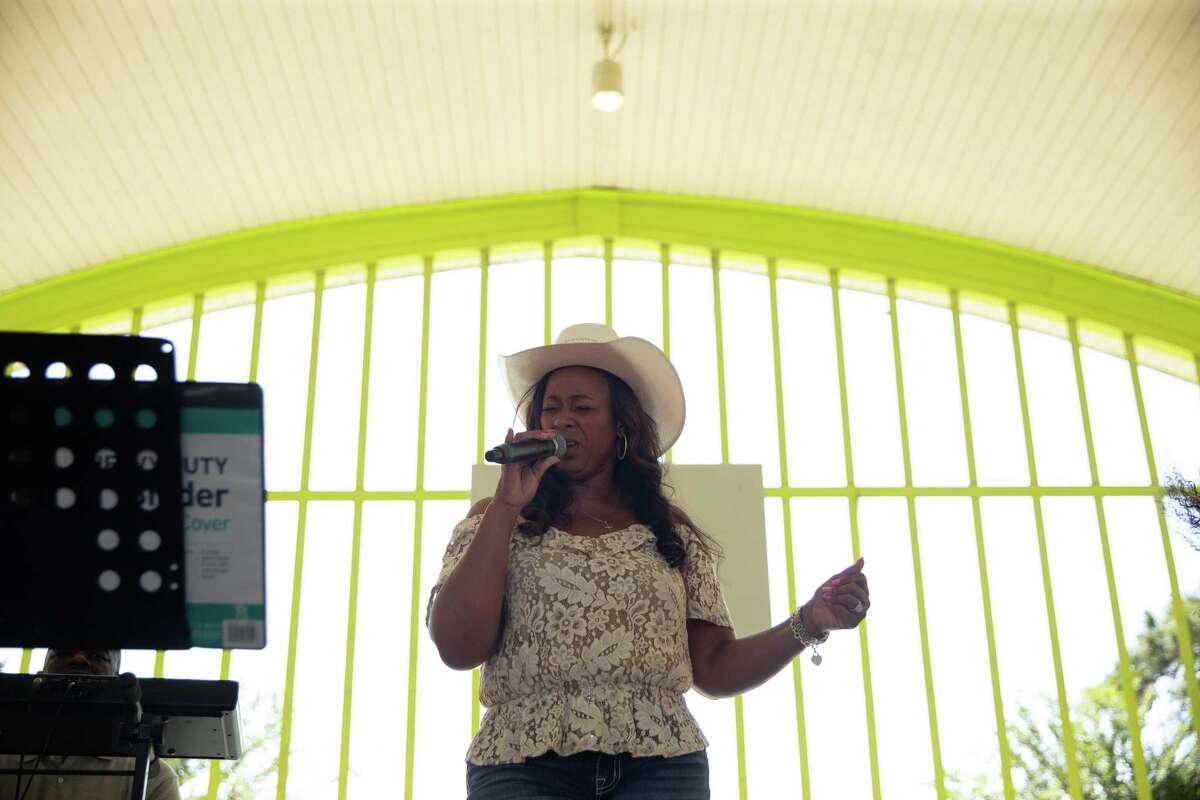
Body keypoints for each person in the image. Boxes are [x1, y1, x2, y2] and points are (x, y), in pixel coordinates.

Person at [426, 323, 871, 799]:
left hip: (661, 767)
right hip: (523, 765)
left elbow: (715, 669)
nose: (562, 420)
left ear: (621, 425)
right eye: (551, 407)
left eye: (582, 407)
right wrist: (506, 506)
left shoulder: (671, 533)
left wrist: (808, 621)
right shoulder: (495, 521)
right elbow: (457, 649)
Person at [0, 648, 182, 800]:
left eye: (96, 655)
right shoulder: (4, 760)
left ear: (118, 680)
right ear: (41, 673)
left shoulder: (153, 779)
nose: (78, 658)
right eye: (64, 651)